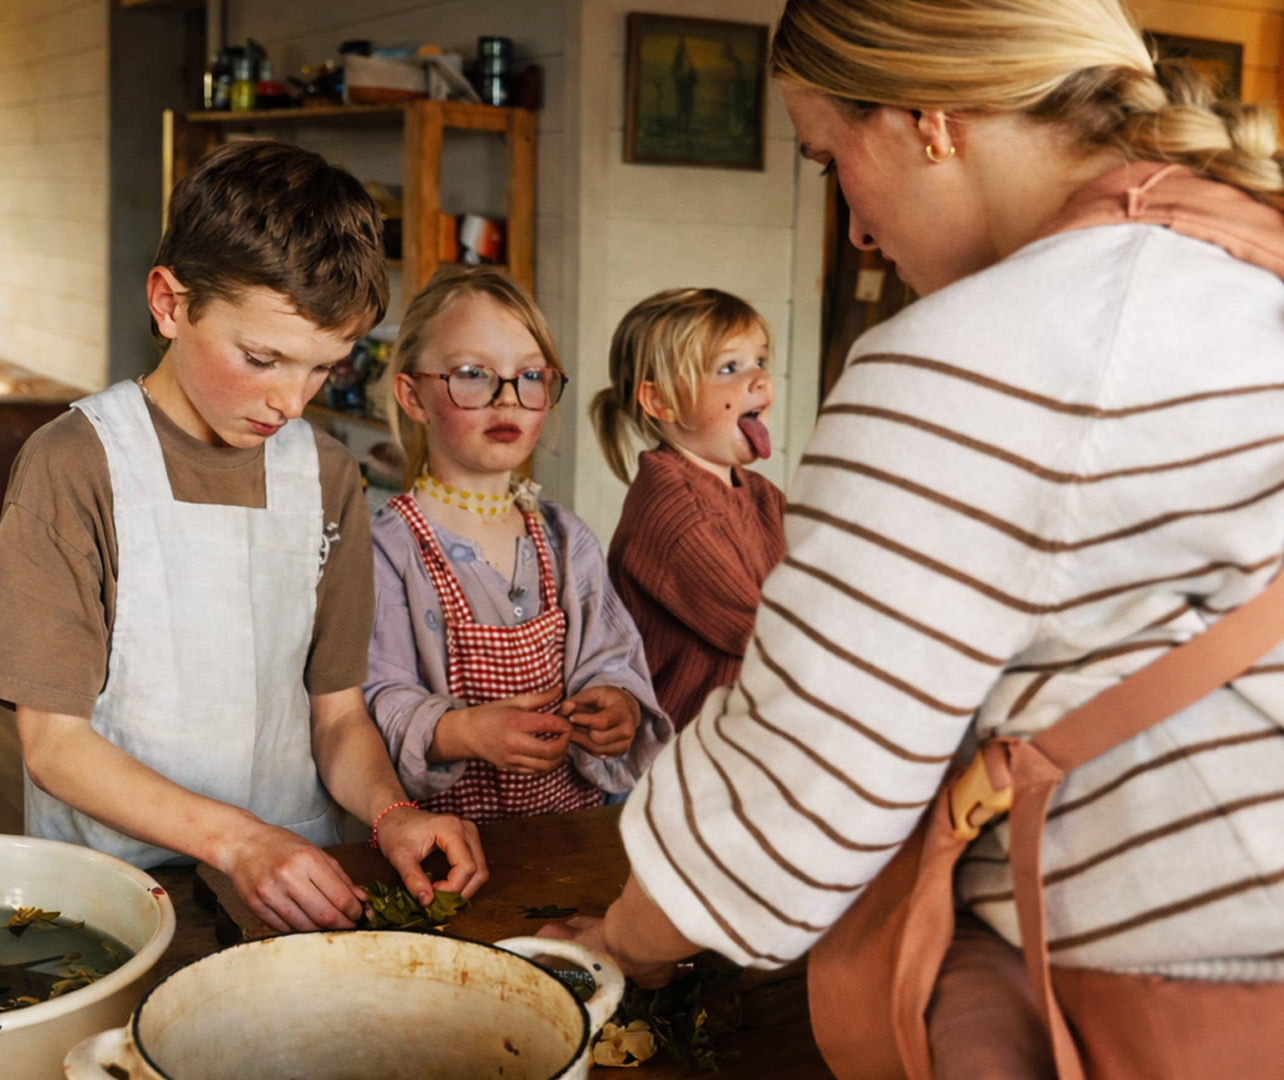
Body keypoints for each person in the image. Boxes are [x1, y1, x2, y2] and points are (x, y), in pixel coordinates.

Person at [544, 0, 1284, 1075]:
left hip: (1190, 993)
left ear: (926, 117)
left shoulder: (982, 354)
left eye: (826, 157)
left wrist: (624, 943)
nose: (850, 222)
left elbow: (801, 782)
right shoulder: (1242, 263)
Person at [0, 140, 486, 934]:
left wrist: (391, 813)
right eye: (263, 358)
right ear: (169, 302)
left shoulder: (327, 476)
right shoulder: (77, 464)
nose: (291, 402)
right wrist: (238, 843)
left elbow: (336, 718)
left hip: (292, 877)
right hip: (113, 893)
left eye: (320, 369)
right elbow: (55, 745)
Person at [362, 267, 671, 823]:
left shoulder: (564, 539)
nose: (507, 398)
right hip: (447, 849)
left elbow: (612, 658)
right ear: (412, 395)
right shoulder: (388, 548)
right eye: (473, 374)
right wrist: (463, 731)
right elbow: (373, 702)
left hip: (567, 840)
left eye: (529, 376)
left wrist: (617, 704)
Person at [588, 288, 786, 730]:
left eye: (761, 361)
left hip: (747, 733)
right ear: (661, 402)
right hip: (686, 750)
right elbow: (771, 634)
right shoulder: (677, 514)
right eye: (729, 368)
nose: (757, 379)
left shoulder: (762, 496)